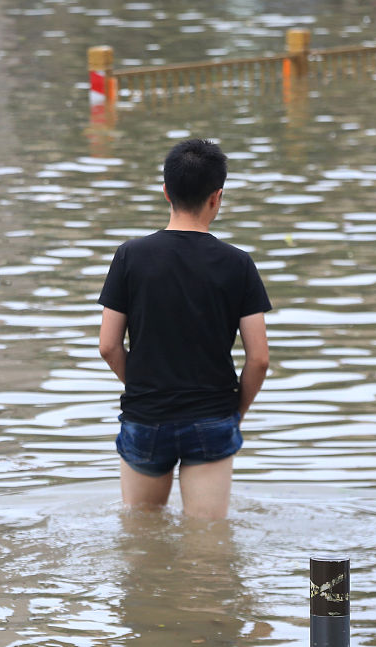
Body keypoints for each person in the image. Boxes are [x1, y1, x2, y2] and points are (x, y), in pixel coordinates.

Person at [97, 138, 270, 520]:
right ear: (217, 197)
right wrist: (234, 412)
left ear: (165, 192)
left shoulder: (130, 256)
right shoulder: (238, 264)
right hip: (211, 416)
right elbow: (258, 358)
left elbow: (108, 346)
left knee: (140, 538)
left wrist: (143, 387)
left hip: (146, 415)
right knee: (208, 545)